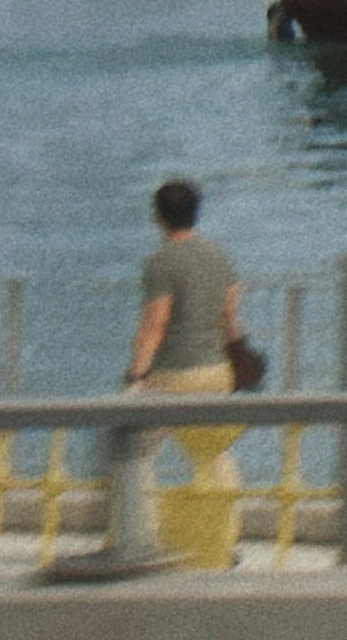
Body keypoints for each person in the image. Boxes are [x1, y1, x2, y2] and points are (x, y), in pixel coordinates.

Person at [76, 179, 248, 576]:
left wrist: (137, 376)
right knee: (212, 453)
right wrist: (237, 362)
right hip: (216, 372)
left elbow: (155, 324)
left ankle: (138, 537)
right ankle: (225, 541)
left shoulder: (162, 262)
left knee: (133, 449)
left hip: (174, 376)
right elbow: (230, 317)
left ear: (157, 217)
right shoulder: (219, 257)